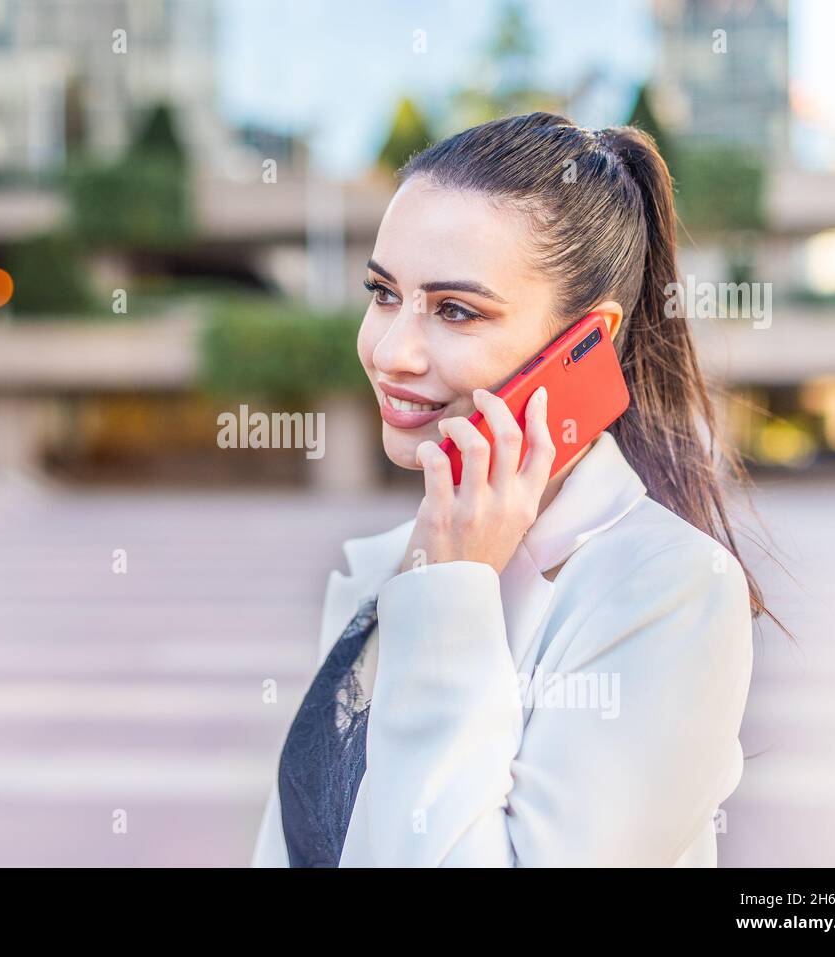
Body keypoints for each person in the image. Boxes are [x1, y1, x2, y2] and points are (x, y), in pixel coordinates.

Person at [251, 111, 789, 867]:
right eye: (383, 293)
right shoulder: (385, 571)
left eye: (456, 310)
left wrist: (455, 593)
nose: (391, 350)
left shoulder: (668, 592)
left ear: (587, 341)